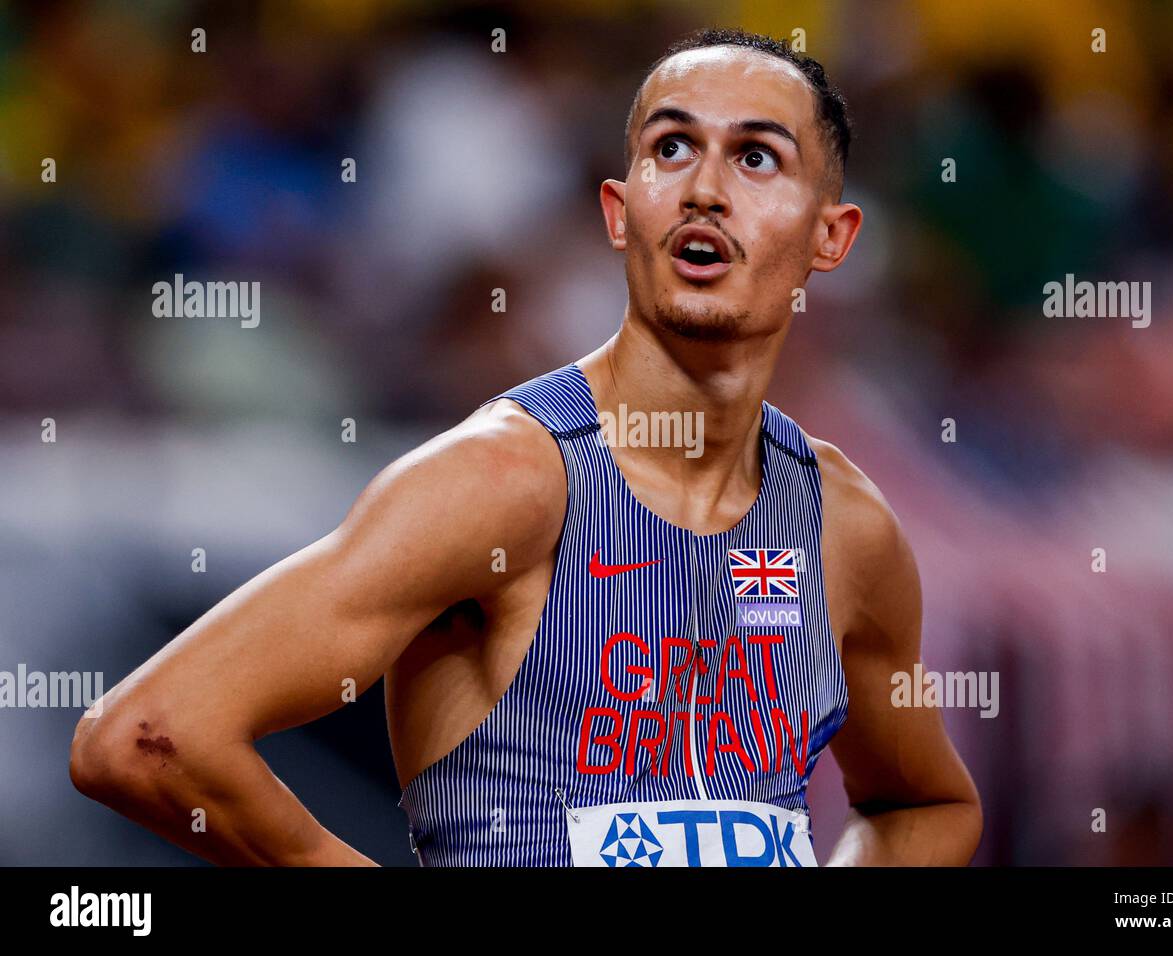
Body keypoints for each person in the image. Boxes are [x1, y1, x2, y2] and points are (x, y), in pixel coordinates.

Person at [70, 28, 981, 867]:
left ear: (832, 235)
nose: (706, 189)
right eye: (672, 149)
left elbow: (926, 805)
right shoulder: (504, 482)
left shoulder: (846, 528)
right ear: (622, 214)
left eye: (755, 157)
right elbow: (150, 734)